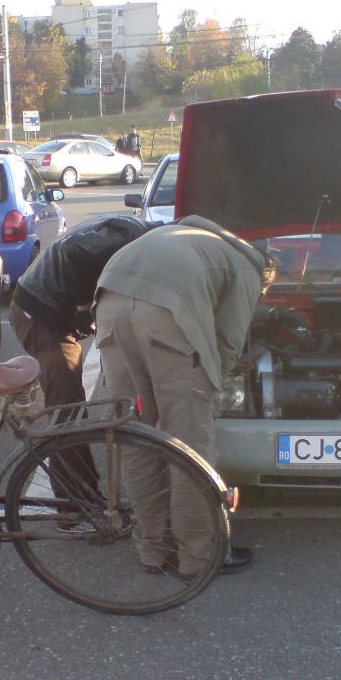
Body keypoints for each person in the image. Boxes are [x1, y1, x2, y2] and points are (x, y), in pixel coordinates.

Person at [93, 215, 274, 575]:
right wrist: (208, 391)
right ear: (268, 274)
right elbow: (228, 341)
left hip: (109, 304)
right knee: (189, 444)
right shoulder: (249, 268)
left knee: (136, 436)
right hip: (165, 316)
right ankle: (199, 556)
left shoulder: (190, 237)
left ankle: (152, 550)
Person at [10, 214, 155, 533]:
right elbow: (72, 253)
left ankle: (82, 497)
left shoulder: (133, 235)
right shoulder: (126, 242)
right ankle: (75, 506)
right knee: (68, 412)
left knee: (70, 410)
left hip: (45, 309)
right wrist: (81, 306)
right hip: (39, 315)